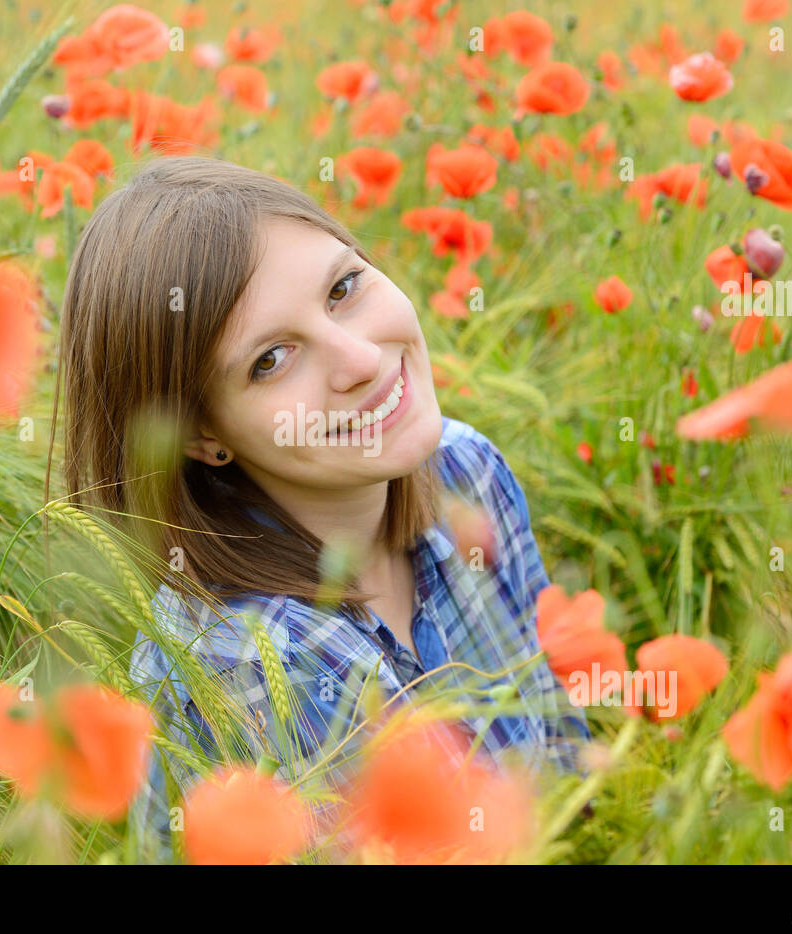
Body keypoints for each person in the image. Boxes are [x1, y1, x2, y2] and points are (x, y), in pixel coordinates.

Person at [58, 154, 590, 862]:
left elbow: (566, 762)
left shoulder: (466, 472)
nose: (360, 359)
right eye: (271, 359)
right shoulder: (247, 666)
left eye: (344, 287)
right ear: (203, 436)